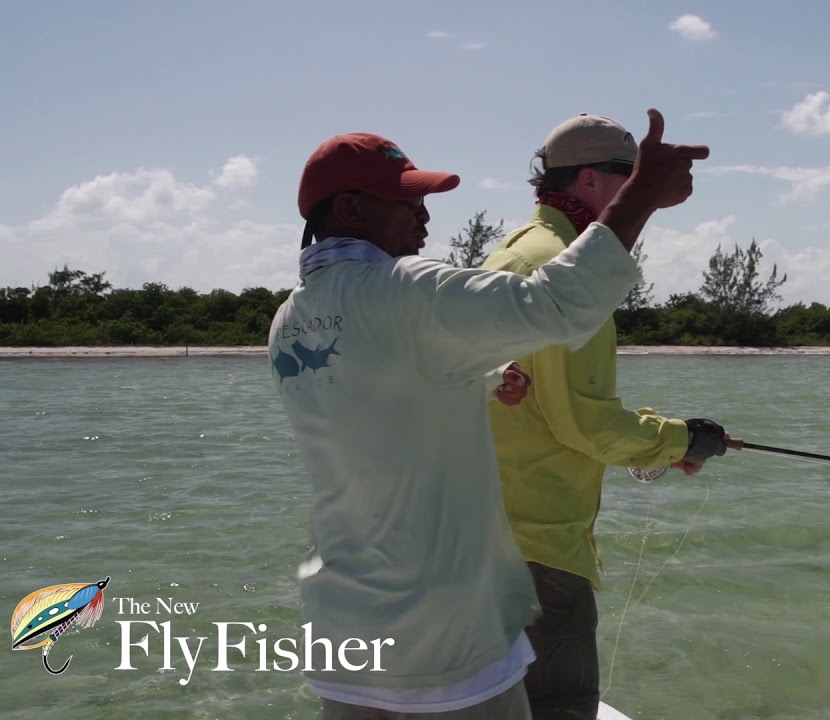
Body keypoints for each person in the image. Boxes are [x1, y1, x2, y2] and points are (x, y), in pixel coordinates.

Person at [269, 109, 710, 720]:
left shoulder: (291, 318)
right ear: (349, 210)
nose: (424, 218)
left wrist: (486, 380)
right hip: (445, 646)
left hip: (342, 634)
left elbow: (382, 393)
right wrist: (641, 195)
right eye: (407, 202)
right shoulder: (406, 290)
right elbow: (562, 303)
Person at [479, 113, 736, 720]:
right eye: (630, 175)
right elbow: (585, 425)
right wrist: (684, 441)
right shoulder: (567, 270)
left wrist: (672, 442)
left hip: (481, 541)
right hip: (541, 553)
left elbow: (546, 406)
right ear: (592, 179)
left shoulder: (510, 252)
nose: (638, 186)